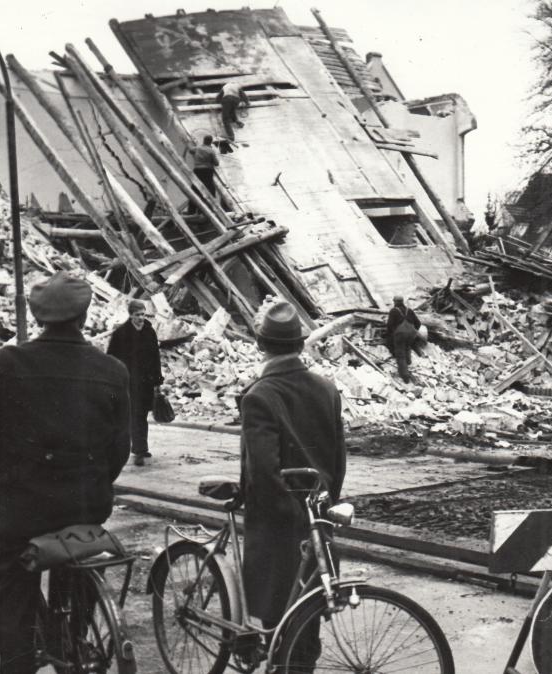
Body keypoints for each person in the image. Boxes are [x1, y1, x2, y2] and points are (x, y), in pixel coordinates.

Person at [0, 272, 131, 673]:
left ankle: (21, 663)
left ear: (37, 316)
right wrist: (92, 477)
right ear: (84, 314)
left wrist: (0, 454)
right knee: (77, 568)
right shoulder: (111, 370)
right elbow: (120, 448)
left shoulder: (10, 363)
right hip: (84, 504)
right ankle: (71, 647)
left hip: (24, 505)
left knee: (14, 591)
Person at [239, 301, 347, 667]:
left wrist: (283, 515)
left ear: (260, 344)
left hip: (277, 529)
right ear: (301, 344)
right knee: (307, 623)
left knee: (275, 628)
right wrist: (322, 510)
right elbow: (338, 463)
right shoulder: (326, 389)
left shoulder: (259, 396)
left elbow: (263, 474)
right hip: (316, 523)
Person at [106, 298, 163, 466]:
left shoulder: (149, 332)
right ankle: (134, 449)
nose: (141, 318)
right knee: (132, 415)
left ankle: (141, 448)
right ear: (130, 315)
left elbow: (155, 357)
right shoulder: (121, 333)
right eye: (138, 315)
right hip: (128, 382)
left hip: (145, 382)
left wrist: (158, 379)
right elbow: (111, 358)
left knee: (142, 415)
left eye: (143, 314)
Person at [386, 295, 421, 382]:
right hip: (411, 334)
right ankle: (408, 362)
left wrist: (393, 333)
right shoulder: (409, 310)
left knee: (400, 354)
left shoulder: (393, 311)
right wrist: (413, 331)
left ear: (395, 302)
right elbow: (418, 323)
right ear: (403, 301)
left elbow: (389, 325)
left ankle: (405, 376)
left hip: (400, 334)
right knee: (407, 347)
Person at [189, 135, 220, 214]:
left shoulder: (198, 148)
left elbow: (191, 150)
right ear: (210, 142)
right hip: (207, 171)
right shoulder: (211, 151)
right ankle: (212, 209)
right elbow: (216, 163)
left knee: (195, 189)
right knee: (210, 189)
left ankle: (191, 211)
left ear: (203, 140)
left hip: (197, 170)